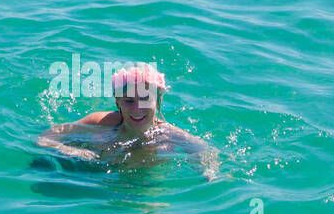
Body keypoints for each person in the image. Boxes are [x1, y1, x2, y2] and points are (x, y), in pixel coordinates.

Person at [37, 65, 219, 179]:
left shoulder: (168, 134)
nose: (137, 109)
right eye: (129, 101)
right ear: (118, 103)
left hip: (140, 183)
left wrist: (206, 171)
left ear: (158, 102)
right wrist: (71, 151)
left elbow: (205, 150)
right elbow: (45, 138)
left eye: (146, 99)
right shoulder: (101, 122)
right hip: (86, 174)